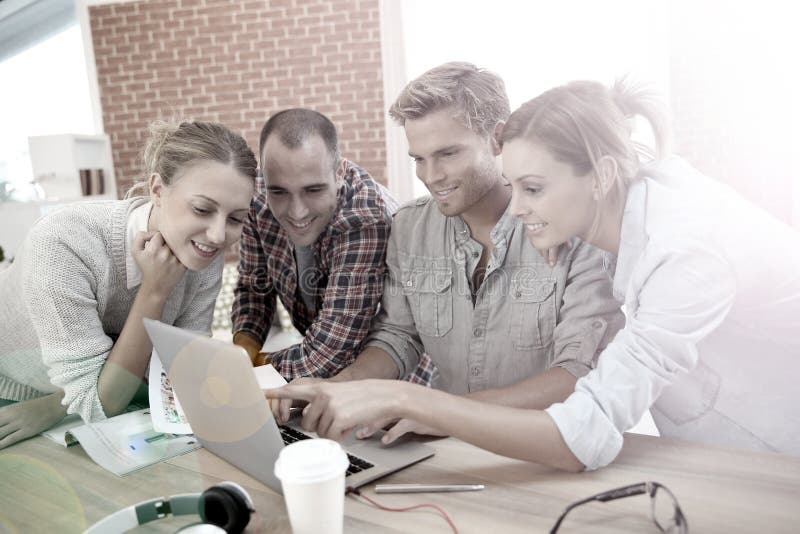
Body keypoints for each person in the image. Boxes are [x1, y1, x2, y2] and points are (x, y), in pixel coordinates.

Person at [266, 78, 800, 471]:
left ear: (601, 176)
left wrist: (414, 400)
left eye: (534, 188)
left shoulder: (683, 249)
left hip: (772, 453)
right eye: (515, 186)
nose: (515, 211)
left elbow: (583, 433)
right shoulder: (629, 211)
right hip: (713, 448)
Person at [270, 62, 623, 439]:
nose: (431, 175)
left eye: (448, 154)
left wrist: (437, 412)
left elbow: (579, 374)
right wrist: (337, 389)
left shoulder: (572, 230)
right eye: (419, 158)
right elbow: (397, 337)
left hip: (545, 445)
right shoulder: (409, 228)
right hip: (441, 448)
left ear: (497, 138)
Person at [0, 120, 257, 449]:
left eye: (236, 218)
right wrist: (155, 290)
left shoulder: (202, 253)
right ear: (157, 190)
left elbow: (177, 372)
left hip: (68, 406)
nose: (219, 235)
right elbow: (99, 402)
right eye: (202, 209)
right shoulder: (64, 244)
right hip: (15, 400)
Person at [231, 108, 399, 379]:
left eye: (313, 190)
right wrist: (242, 351)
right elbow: (254, 289)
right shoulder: (258, 196)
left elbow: (330, 353)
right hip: (316, 380)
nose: (297, 212)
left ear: (339, 172)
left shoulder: (365, 217)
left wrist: (242, 371)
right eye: (279, 192)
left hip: (387, 385)